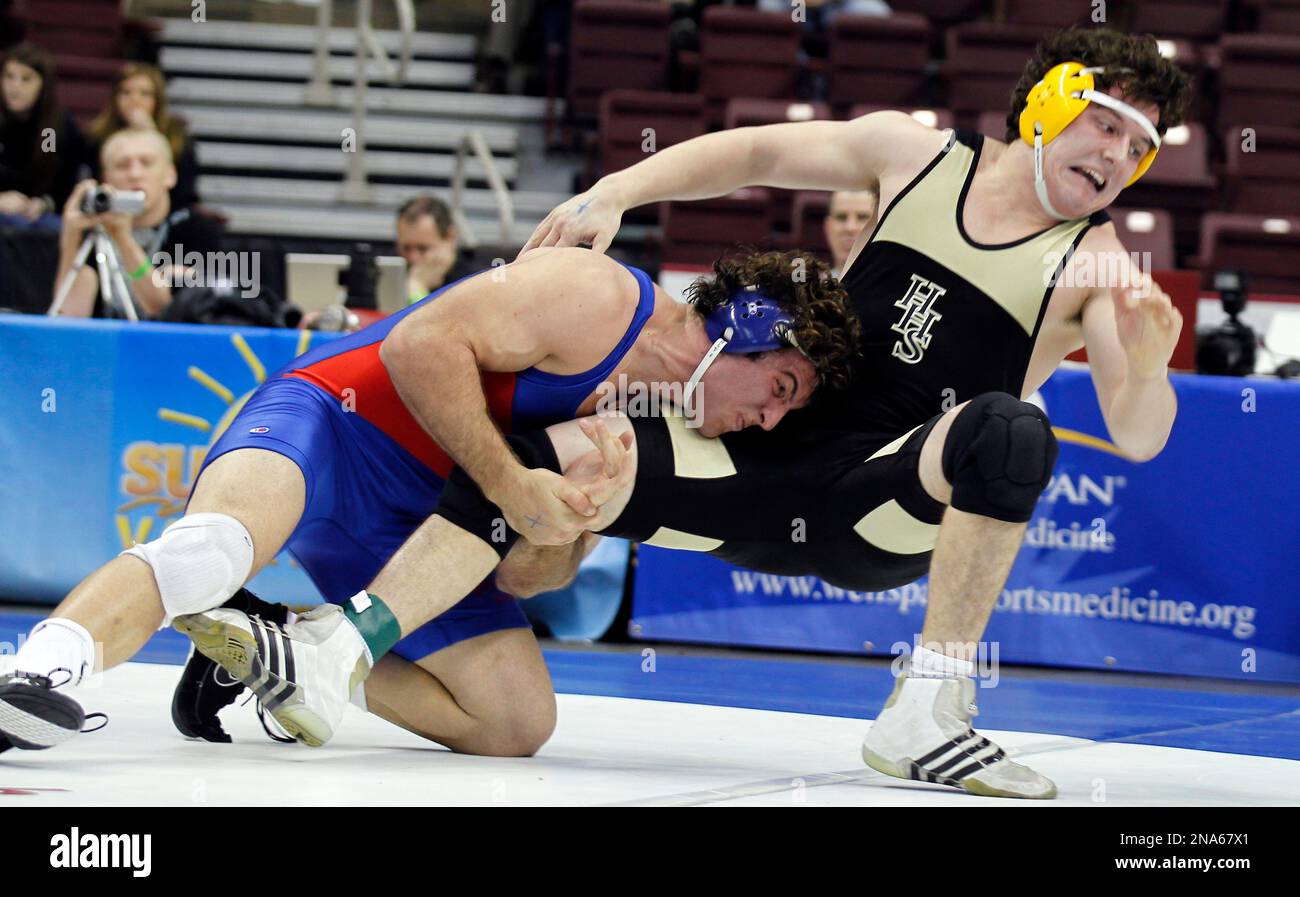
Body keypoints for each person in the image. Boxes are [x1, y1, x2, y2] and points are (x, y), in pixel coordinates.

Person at [205, 27, 1191, 800]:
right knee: (537, 453)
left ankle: (927, 706)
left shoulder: (1098, 263)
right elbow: (757, 148)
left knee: (1010, 430)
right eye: (1108, 123)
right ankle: (332, 647)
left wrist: (1145, 364)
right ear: (1053, 104)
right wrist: (616, 189)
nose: (1118, 154)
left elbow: (1140, 434)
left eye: (1140, 146)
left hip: (880, 500)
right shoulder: (915, 155)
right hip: (762, 454)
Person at [0, 247, 858, 756]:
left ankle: (271, 641)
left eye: (788, 410)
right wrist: (511, 482)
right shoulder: (600, 298)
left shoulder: (662, 429)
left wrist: (567, 527)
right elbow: (420, 342)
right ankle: (42, 670)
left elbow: (527, 579)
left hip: (410, 517)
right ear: (745, 326)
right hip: (333, 423)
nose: (770, 418)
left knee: (516, 722)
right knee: (211, 548)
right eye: (780, 386)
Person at [52, 127, 225, 318]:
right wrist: (70, 238)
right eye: (122, 165)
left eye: (146, 163)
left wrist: (123, 239)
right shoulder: (93, 232)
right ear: (106, 179)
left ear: (170, 175)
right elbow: (68, 316)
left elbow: (165, 308)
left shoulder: (195, 229)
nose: (134, 174)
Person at [85, 62, 201, 210]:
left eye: (144, 94)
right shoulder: (97, 137)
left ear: (158, 100)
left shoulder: (177, 136)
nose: (135, 100)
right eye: (126, 93)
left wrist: (151, 136)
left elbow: (185, 192)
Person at [0, 43, 89, 232]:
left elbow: (64, 179)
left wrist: (44, 203)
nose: (15, 86)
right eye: (9, 76)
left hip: (38, 215)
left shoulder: (53, 130)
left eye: (26, 79)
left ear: (43, 84)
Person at [396, 195, 475, 304]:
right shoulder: (387, 277)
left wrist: (417, 287)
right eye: (406, 248)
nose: (413, 258)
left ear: (450, 237)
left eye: (423, 248)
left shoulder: (475, 283)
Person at [823, 189, 877, 277]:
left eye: (862, 217)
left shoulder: (902, 287)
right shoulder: (807, 289)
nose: (850, 227)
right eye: (841, 217)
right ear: (828, 228)